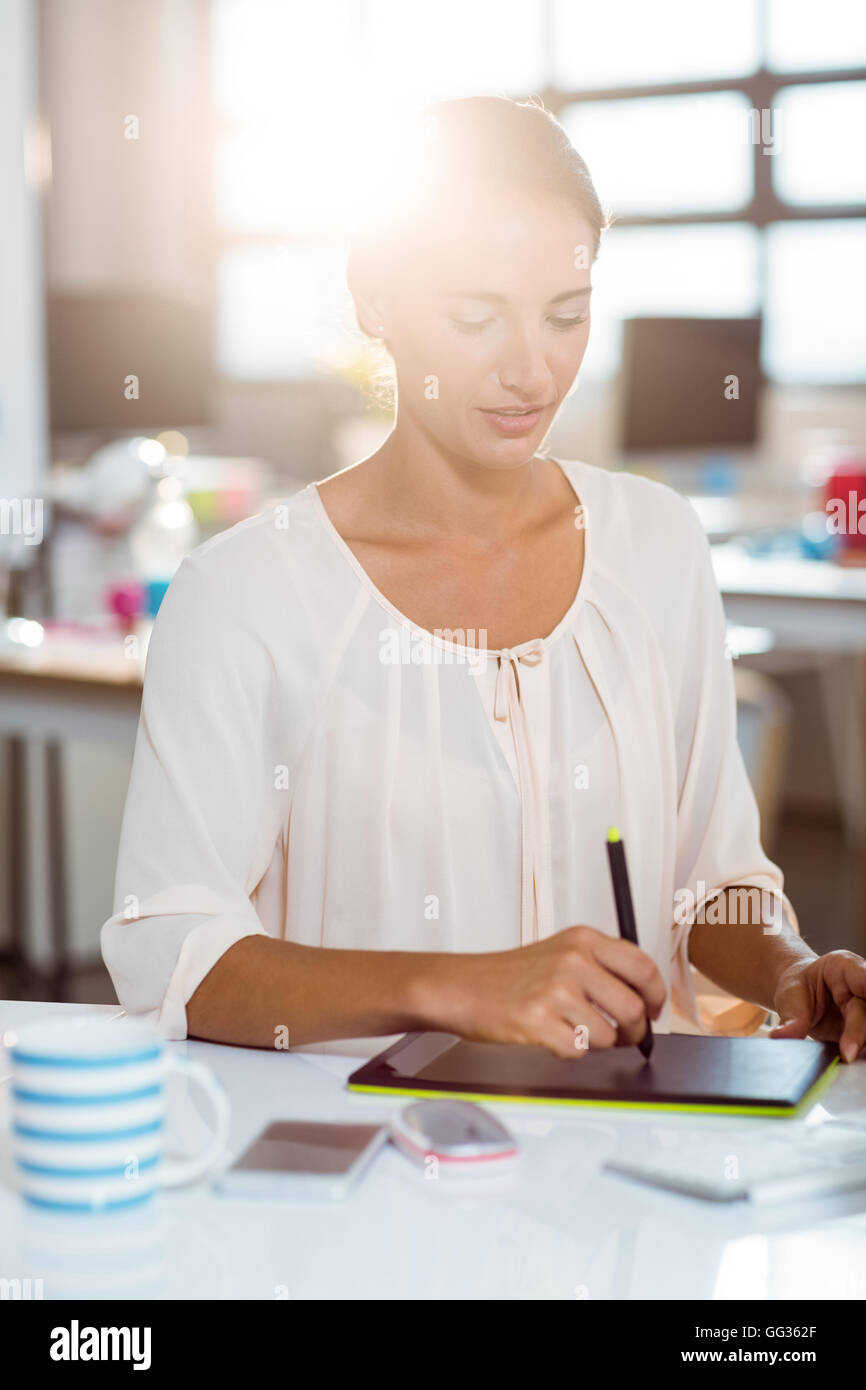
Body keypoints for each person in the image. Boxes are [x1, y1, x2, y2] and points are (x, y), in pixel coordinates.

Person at [102, 96, 866, 1063]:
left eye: (566, 316)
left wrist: (791, 966)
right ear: (376, 299)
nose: (531, 370)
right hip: (373, 1164)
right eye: (477, 317)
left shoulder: (657, 544)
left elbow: (712, 883)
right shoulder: (244, 594)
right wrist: (454, 987)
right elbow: (171, 948)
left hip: (629, 1168)